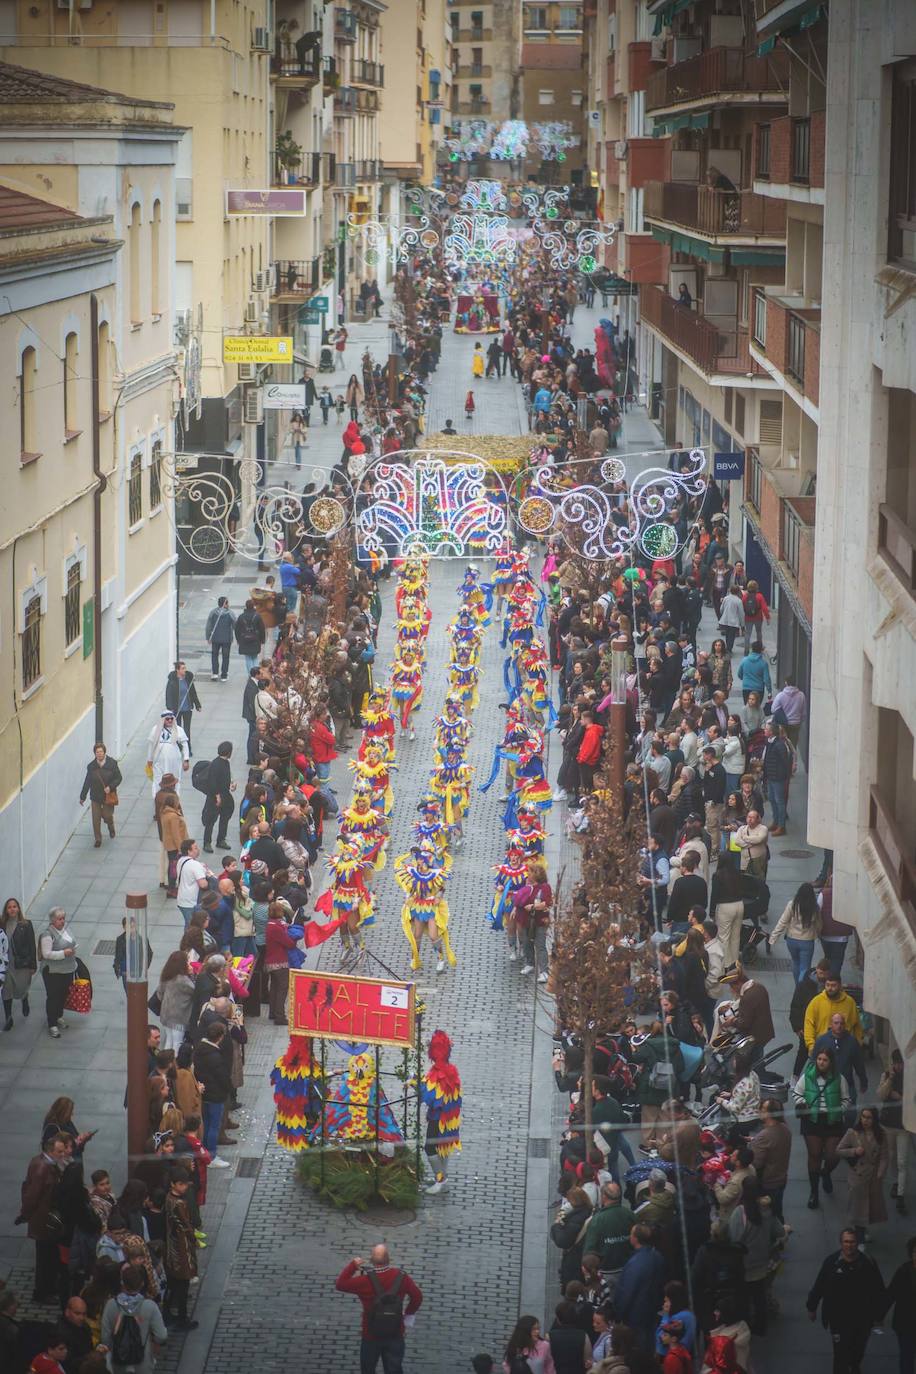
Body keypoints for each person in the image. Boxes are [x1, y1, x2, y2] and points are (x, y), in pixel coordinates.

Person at [806, 1227, 885, 1374]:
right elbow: (819, 1285)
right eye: (846, 1242)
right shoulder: (831, 1262)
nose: (849, 1245)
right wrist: (812, 1307)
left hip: (862, 1318)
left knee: (858, 1349)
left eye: (852, 1242)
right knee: (840, 1354)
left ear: (857, 1243)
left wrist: (879, 1315)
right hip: (839, 1319)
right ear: (841, 1243)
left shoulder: (868, 1263)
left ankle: (854, 1366)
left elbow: (879, 1290)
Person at [335, 1244, 423, 1374]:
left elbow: (340, 1284)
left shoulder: (363, 1281)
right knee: (394, 1370)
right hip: (396, 1332)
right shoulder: (402, 1277)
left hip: (370, 1334)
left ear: (371, 1260)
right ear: (389, 1259)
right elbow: (417, 1297)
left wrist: (353, 1265)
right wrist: (407, 1315)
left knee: (368, 1369)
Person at [794, 1047, 851, 1208]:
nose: (821, 1062)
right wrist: (802, 1104)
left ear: (830, 1062)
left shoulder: (839, 1079)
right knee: (815, 1155)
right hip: (812, 1120)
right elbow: (797, 1093)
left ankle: (825, 1173)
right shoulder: (807, 1077)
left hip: (832, 1121)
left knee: (834, 1155)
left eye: (825, 1060)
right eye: (819, 1059)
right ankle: (814, 1192)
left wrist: (840, 1110)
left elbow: (846, 1099)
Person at [726, 1178, 785, 1335]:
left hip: (744, 1265)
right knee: (759, 1297)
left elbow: (735, 1238)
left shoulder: (740, 1213)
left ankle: (745, 1328)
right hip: (761, 1262)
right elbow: (779, 1231)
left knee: (743, 1299)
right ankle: (760, 1326)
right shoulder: (767, 1211)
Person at [17, 1132, 67, 1302]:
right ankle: (43, 1292)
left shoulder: (44, 1163)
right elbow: (32, 1195)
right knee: (45, 1258)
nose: (63, 1154)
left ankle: (48, 1288)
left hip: (45, 1218)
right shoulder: (42, 1168)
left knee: (49, 1256)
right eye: (60, 1151)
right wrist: (25, 1214)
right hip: (43, 1221)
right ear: (50, 1151)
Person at [99, 1262, 168, 1374]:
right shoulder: (149, 1306)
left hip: (118, 1363)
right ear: (141, 1284)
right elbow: (162, 1336)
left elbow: (105, 1338)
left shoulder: (111, 1305)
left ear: (122, 1283)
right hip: (143, 1363)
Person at [837, 1106, 888, 1240]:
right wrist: (854, 1151)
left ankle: (862, 1232)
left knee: (868, 1207)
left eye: (869, 1117)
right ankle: (859, 1239)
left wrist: (880, 1173)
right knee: (858, 1208)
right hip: (857, 1175)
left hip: (873, 1176)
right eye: (863, 1116)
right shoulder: (853, 1132)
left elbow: (884, 1156)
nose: (865, 1120)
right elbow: (839, 1150)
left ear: (874, 1119)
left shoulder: (881, 1134)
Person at [614, 1225, 665, 1353]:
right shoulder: (657, 1256)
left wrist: (619, 1314)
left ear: (635, 1239)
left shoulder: (636, 1263)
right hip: (652, 1310)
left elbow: (627, 1291)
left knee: (639, 1346)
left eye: (631, 1234)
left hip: (636, 1315)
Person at [582, 1181, 635, 1296]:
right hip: (628, 1269)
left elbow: (590, 1250)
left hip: (607, 1272)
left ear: (604, 1197)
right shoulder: (630, 1215)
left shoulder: (597, 1220)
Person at [192, 1020, 232, 1169]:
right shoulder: (214, 1055)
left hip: (205, 1093)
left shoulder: (200, 1049)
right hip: (215, 1095)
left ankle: (205, 1153)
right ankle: (211, 1156)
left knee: (207, 1124)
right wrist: (228, 1089)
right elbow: (223, 1077)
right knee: (213, 1126)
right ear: (220, 1037)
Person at [163, 1166, 199, 1331]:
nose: (184, 1187)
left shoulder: (169, 1199)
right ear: (173, 1184)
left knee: (173, 1283)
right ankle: (182, 1318)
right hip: (181, 1249)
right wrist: (193, 1238)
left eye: (185, 1184)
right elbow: (186, 1226)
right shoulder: (178, 1203)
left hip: (172, 1247)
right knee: (182, 1284)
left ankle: (168, 1312)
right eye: (181, 1184)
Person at [767, 881, 821, 983]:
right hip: (807, 941)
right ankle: (801, 989)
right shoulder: (814, 907)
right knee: (805, 968)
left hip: (792, 940)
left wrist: (773, 937)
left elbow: (782, 922)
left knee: (796, 963)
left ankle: (798, 986)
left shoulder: (792, 904)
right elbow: (818, 924)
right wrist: (818, 933)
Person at [877, 1048, 909, 1215]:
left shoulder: (911, 1077)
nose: (899, 1066)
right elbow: (881, 1095)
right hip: (888, 1124)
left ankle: (901, 1195)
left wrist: (901, 1097)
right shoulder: (887, 1075)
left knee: (902, 1160)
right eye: (897, 1063)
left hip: (904, 1124)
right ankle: (896, 1182)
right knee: (891, 1156)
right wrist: (890, 1079)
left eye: (901, 1063)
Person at [813, 1012, 868, 1109]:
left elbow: (859, 1063)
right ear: (831, 1024)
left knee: (849, 1115)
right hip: (826, 1086)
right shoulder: (821, 1041)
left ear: (845, 1025)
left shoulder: (852, 1041)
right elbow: (813, 1063)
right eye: (836, 1023)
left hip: (847, 1085)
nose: (839, 1026)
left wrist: (863, 1081)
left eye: (841, 1023)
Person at [750, 1099, 793, 1221]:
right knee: (777, 1211)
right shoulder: (785, 1129)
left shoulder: (765, 1135)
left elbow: (756, 1163)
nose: (759, 1111)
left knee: (769, 1216)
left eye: (762, 1109)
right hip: (781, 1178)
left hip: (768, 1183)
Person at [39, 907, 77, 1038]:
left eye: (63, 918)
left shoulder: (66, 929)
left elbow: (72, 941)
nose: (62, 921)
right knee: (53, 997)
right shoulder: (47, 934)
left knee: (64, 994)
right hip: (53, 972)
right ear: (52, 921)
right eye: (59, 919)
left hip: (68, 969)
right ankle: (52, 1024)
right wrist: (63, 953)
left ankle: (59, 1016)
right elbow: (46, 953)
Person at [882, 1235, 916, 1373]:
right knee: (907, 1357)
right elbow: (891, 1294)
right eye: (915, 1252)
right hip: (905, 1324)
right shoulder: (903, 1271)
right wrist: (879, 1315)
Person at [804, 973, 863, 1052]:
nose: (830, 988)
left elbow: (857, 1025)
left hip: (844, 1048)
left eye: (833, 985)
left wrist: (857, 1044)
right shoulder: (816, 1002)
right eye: (827, 985)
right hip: (822, 1049)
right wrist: (811, 1046)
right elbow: (809, 1024)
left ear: (840, 986)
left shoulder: (849, 1003)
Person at [2, 895, 37, 1030]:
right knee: (6, 990)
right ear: (6, 910)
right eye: (9, 907)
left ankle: (24, 998)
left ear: (18, 909)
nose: (12, 909)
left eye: (14, 906)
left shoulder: (26, 924)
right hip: (6, 965)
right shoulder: (2, 924)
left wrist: (32, 965)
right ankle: (8, 1018)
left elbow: (31, 945)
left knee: (21, 988)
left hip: (22, 964)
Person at [78, 742, 122, 848]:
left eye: (101, 751)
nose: (99, 754)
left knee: (107, 815)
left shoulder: (112, 763)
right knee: (95, 818)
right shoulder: (91, 766)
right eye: (97, 752)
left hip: (108, 796)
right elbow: (87, 781)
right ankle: (98, 839)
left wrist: (110, 787)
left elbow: (119, 778)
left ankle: (110, 825)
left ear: (104, 752)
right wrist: (82, 797)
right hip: (95, 796)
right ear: (95, 753)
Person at [201, 741, 236, 853]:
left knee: (224, 818)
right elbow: (212, 782)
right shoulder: (216, 764)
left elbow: (226, 777)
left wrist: (231, 783)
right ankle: (207, 842)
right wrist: (217, 796)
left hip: (225, 794)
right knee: (211, 820)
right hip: (215, 797)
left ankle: (221, 839)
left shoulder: (226, 763)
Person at [146, 712, 190, 798]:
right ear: (163, 720)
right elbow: (151, 746)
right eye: (167, 719)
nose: (170, 720)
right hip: (159, 761)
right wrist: (149, 760)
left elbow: (185, 745)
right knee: (158, 780)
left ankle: (175, 799)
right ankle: (157, 799)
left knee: (175, 780)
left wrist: (186, 760)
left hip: (174, 762)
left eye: (171, 718)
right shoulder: (155, 729)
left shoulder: (178, 729)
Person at [164, 660, 202, 755]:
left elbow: (193, 692)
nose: (185, 670)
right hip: (177, 710)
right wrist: (170, 708)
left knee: (186, 730)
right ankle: (178, 747)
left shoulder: (188, 678)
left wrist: (197, 705)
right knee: (177, 729)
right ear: (177, 670)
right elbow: (168, 695)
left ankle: (188, 749)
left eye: (185, 668)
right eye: (183, 668)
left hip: (187, 709)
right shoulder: (172, 681)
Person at [760, 721, 792, 835]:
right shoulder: (769, 742)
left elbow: (785, 762)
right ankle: (776, 821)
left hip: (778, 778)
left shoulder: (779, 745)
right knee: (772, 800)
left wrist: (784, 776)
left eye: (766, 729)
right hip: (770, 776)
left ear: (771, 732)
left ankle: (781, 826)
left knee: (780, 801)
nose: (764, 731)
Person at [175, 840, 211, 930]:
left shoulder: (181, 861)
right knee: (193, 927)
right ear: (189, 851)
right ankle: (189, 943)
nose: (198, 849)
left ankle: (187, 942)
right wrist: (208, 879)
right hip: (191, 902)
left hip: (182, 899)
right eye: (195, 848)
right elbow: (203, 884)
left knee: (189, 925)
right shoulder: (195, 864)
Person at [549, 1299, 592, 1372]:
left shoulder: (550, 1336)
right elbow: (587, 1361)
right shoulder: (584, 1336)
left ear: (558, 1319)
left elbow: (547, 1361)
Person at [204, 595, 236, 681]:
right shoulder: (230, 613)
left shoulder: (213, 612)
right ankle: (224, 675)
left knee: (214, 655)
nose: (229, 604)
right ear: (225, 604)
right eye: (228, 603)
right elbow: (235, 626)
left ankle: (215, 674)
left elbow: (208, 626)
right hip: (226, 639)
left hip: (215, 638)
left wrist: (208, 637)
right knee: (226, 657)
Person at [770, 674, 806, 747]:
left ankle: (785, 757)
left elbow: (773, 710)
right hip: (795, 723)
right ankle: (792, 757)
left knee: (783, 744)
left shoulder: (780, 695)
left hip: (783, 724)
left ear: (786, 683)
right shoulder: (801, 695)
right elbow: (804, 712)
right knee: (793, 745)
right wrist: (800, 721)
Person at [234, 601, 266, 672]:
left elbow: (237, 629)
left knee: (248, 657)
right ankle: (256, 673)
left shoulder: (241, 616)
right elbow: (262, 629)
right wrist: (262, 639)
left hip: (244, 639)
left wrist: (238, 640)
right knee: (255, 657)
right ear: (253, 606)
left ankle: (251, 674)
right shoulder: (257, 616)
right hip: (255, 639)